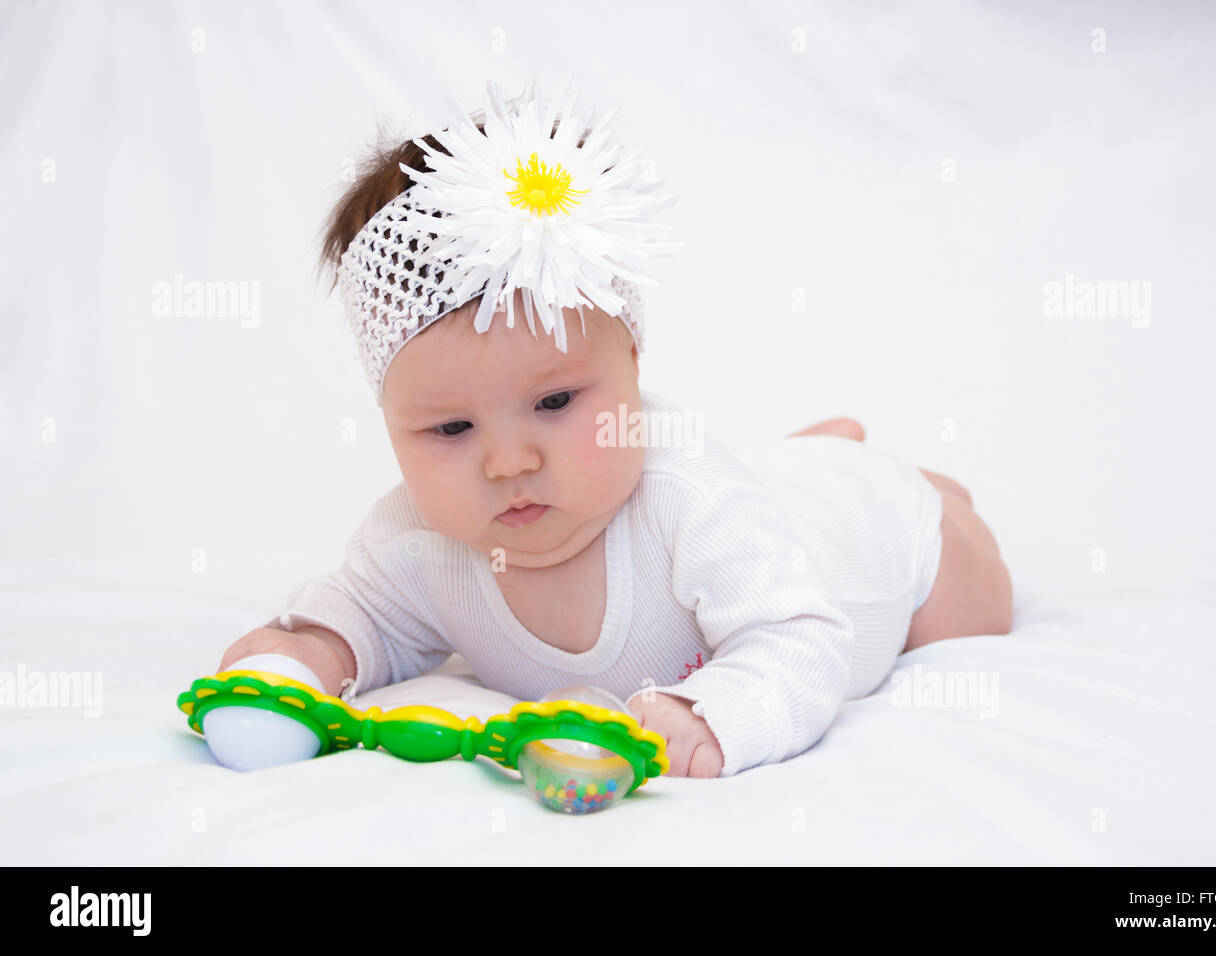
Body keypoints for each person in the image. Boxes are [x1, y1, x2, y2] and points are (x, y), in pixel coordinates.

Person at [219, 78, 1012, 779]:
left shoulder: (690, 501)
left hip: (882, 546)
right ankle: (813, 450)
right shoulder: (419, 539)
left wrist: (714, 713)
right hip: (770, 489)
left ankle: (910, 486)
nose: (508, 460)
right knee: (773, 481)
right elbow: (368, 614)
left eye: (556, 404)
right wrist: (308, 656)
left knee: (965, 605)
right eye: (452, 427)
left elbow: (801, 641)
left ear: (632, 362)